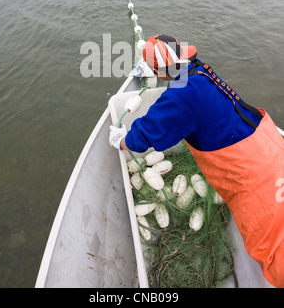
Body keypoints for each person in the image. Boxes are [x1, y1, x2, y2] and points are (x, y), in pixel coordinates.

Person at [109, 34, 284, 288]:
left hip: (254, 180)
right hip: (272, 149)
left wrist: (122, 141)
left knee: (276, 256)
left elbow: (149, 131)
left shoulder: (180, 96)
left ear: (159, 70)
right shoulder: (199, 70)